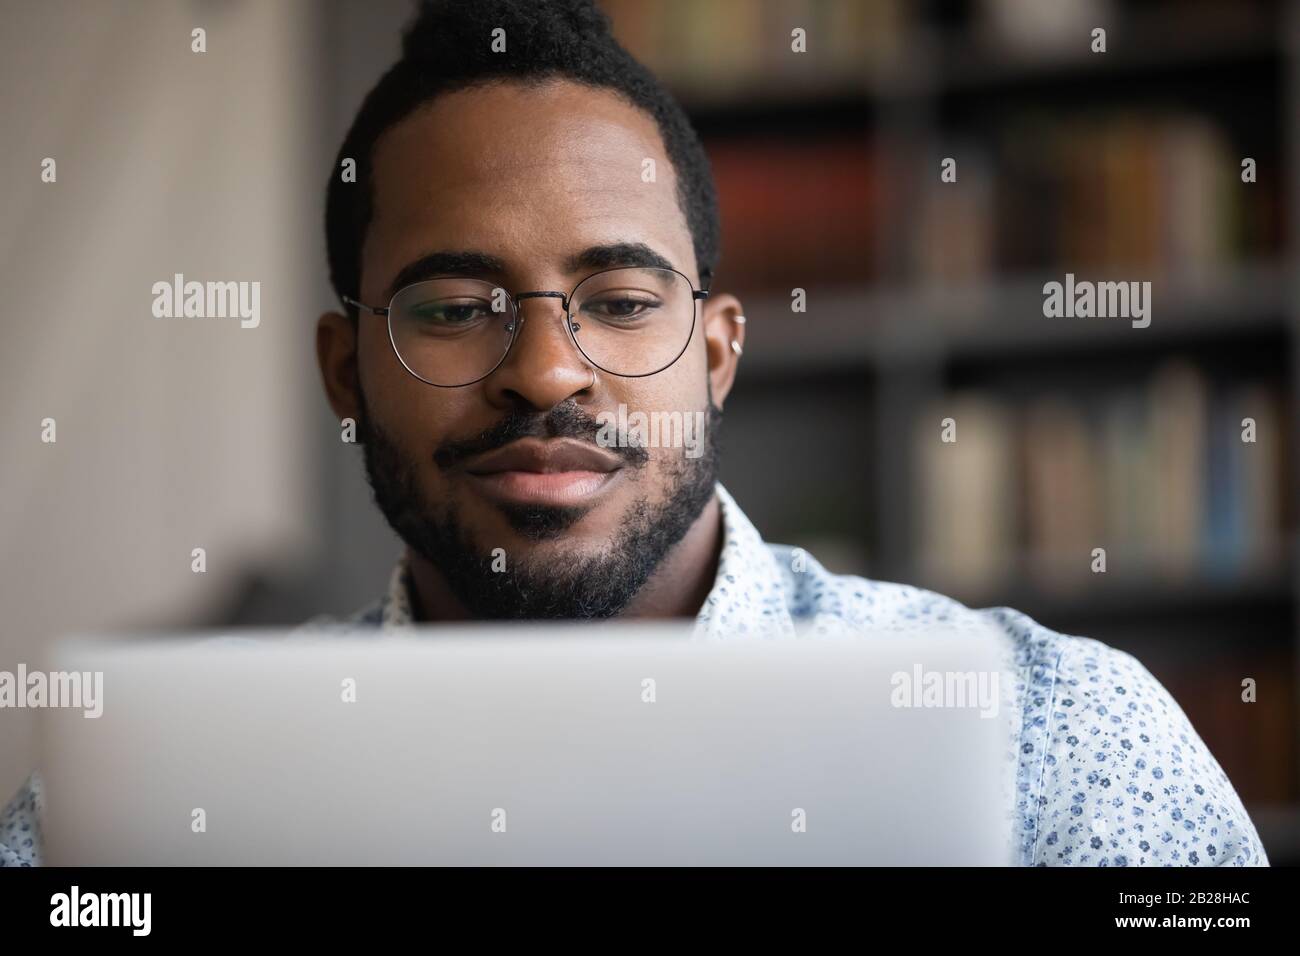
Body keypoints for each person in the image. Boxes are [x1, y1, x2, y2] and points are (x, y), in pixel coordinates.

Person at [1, 0, 1267, 868]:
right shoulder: (127, 811)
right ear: (346, 373)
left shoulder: (1064, 739)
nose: (546, 368)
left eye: (617, 301)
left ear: (716, 353)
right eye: (452, 308)